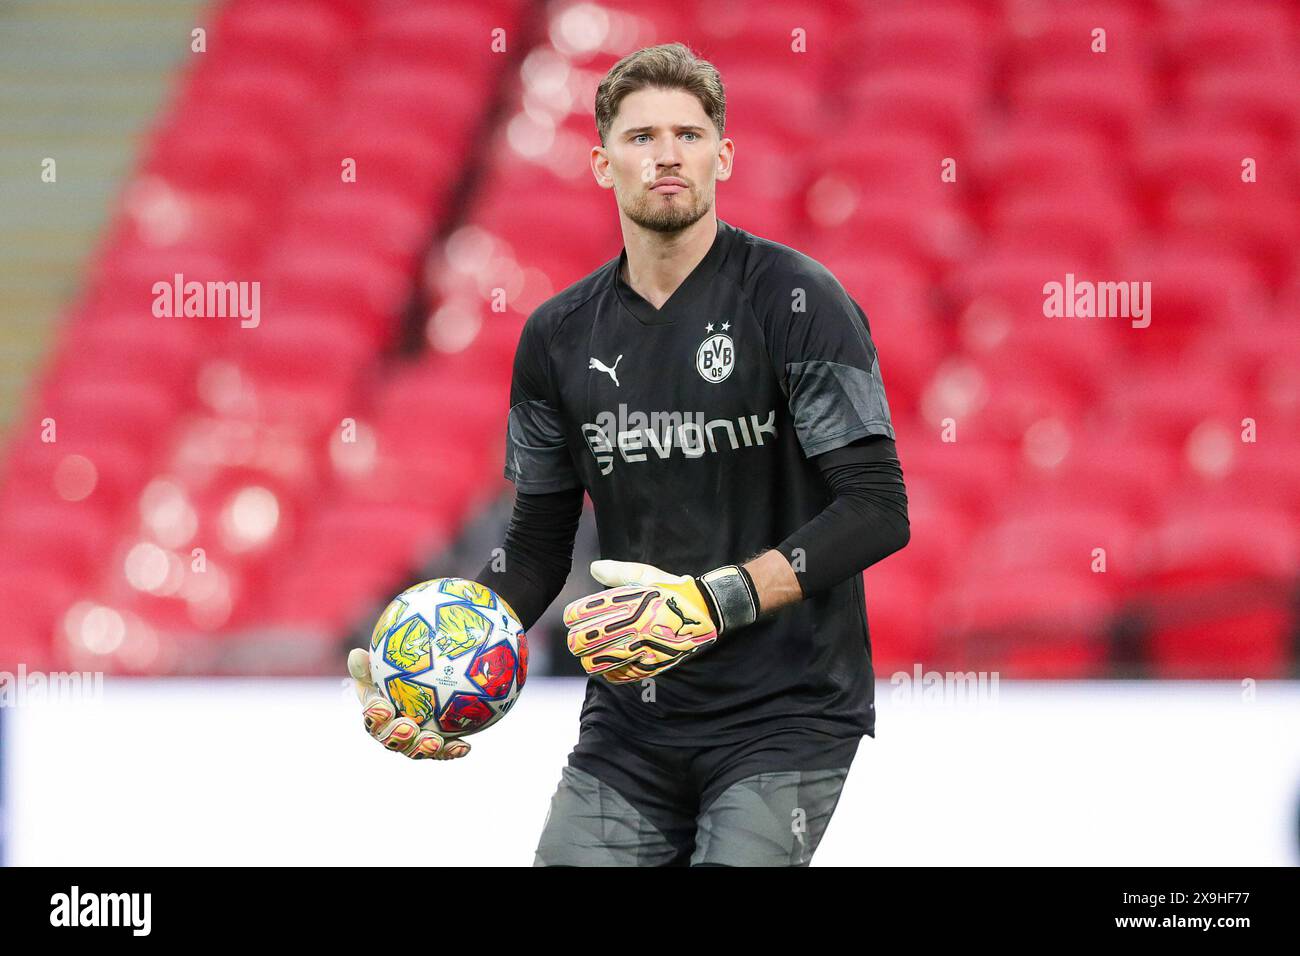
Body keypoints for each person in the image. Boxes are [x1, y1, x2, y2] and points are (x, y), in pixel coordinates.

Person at [349, 42, 910, 866]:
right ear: (602, 163)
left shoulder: (798, 302)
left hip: (786, 713)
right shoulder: (557, 337)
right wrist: (434, 671)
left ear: (723, 155)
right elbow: (536, 549)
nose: (668, 154)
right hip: (631, 721)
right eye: (642, 137)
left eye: (689, 134)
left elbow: (876, 508)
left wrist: (714, 602)